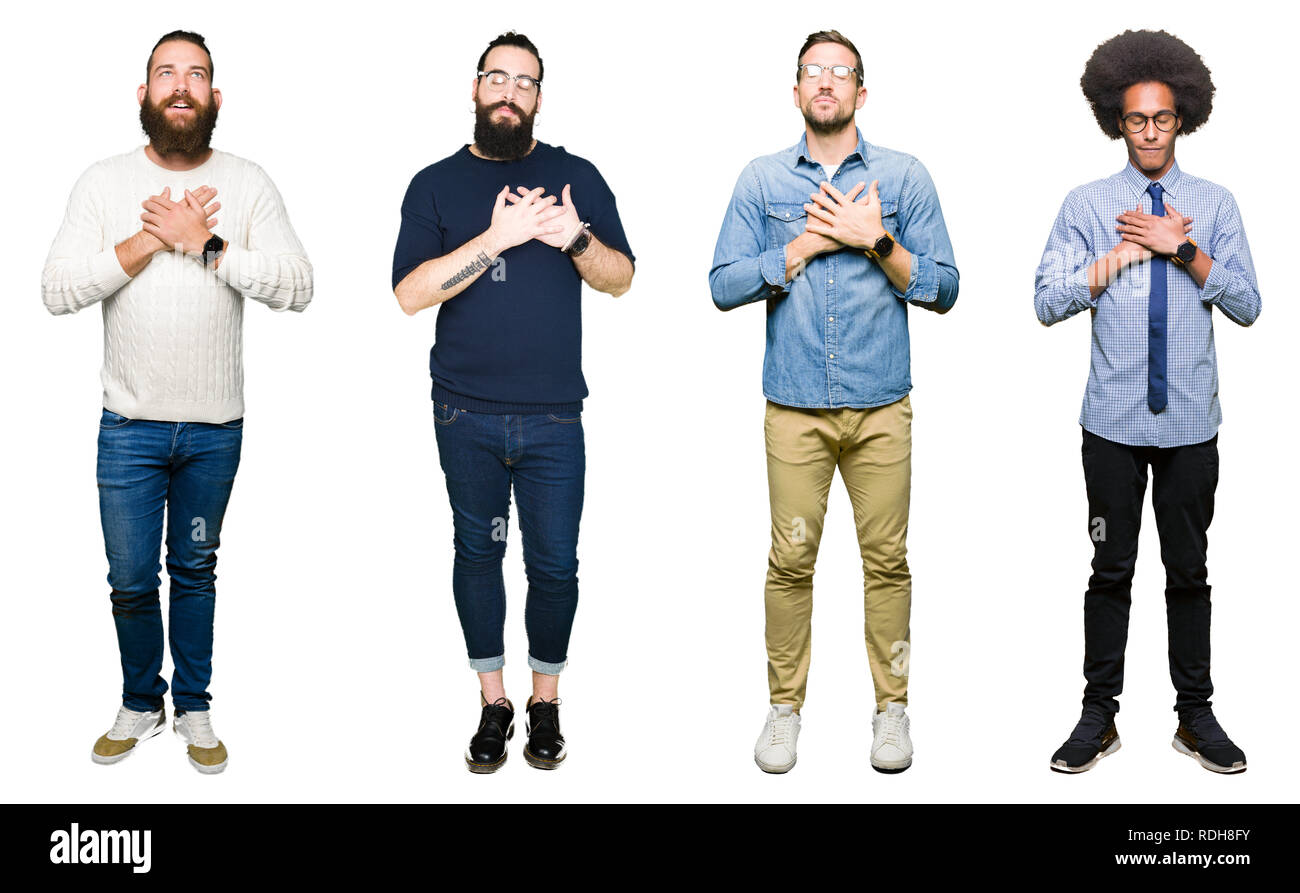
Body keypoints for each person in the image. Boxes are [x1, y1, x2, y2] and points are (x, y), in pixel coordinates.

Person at [42, 31, 313, 775]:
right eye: (167, 73)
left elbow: (299, 285)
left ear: (216, 98)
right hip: (127, 428)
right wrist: (147, 241)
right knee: (131, 576)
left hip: (213, 430)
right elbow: (55, 290)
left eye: (197, 74)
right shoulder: (101, 184)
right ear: (144, 94)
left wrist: (206, 242)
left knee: (194, 567)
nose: (182, 85)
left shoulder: (249, 183)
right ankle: (140, 699)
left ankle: (192, 706)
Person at [710, 29, 958, 774]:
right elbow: (722, 283)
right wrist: (806, 247)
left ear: (860, 91)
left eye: (839, 72)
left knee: (887, 560)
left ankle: (892, 708)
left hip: (883, 409)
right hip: (793, 411)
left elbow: (945, 286)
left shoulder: (905, 177)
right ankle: (784, 709)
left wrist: (875, 238)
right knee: (790, 559)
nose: (825, 82)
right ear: (795, 92)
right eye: (811, 72)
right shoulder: (761, 182)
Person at [392, 31, 634, 773]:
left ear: (538, 97)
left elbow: (621, 276)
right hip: (464, 410)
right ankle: (493, 699)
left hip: (556, 415)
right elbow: (409, 294)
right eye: (496, 78)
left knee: (556, 565)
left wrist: (575, 237)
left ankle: (545, 700)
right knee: (479, 551)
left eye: (524, 83)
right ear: (474, 89)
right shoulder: (433, 184)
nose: (508, 92)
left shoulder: (576, 177)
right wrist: (498, 237)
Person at [1035, 29, 1260, 774]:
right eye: (1137, 119)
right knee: (1110, 571)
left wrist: (1183, 249)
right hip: (1112, 426)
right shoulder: (1087, 204)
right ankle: (1098, 715)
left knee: (1189, 571)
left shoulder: (1214, 205)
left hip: (1193, 424)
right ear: (1117, 120)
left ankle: (1195, 715)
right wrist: (1121, 256)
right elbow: (1045, 301)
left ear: (1183, 118)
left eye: (1163, 117)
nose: (1151, 131)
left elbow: (1250, 304)